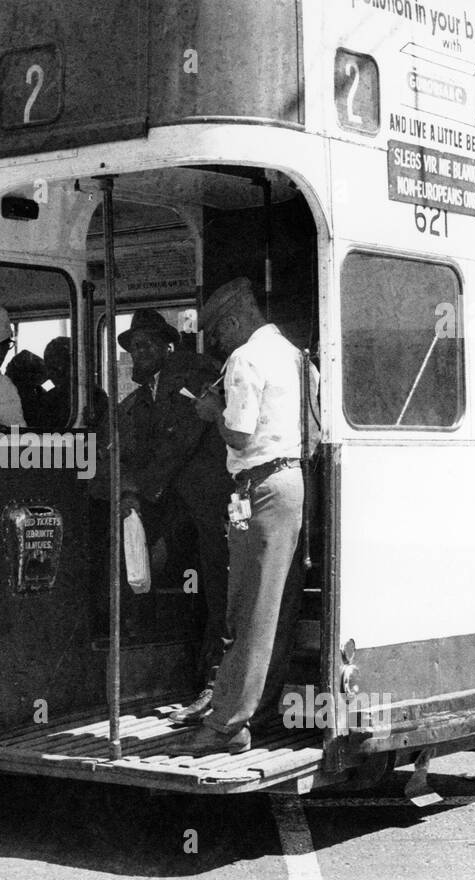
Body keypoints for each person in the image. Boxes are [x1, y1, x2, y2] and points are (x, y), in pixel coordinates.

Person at [179, 277, 318, 755]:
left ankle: (227, 726)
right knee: (277, 607)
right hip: (293, 481)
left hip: (256, 486)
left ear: (236, 321)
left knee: (246, 611)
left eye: (218, 333)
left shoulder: (245, 359)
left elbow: (238, 434)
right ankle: (256, 709)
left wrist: (210, 410)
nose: (217, 345)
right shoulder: (294, 354)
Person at [116, 309, 232, 687]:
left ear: (169, 345)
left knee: (217, 590)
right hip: (181, 505)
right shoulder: (147, 391)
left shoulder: (190, 376)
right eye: (134, 346)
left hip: (209, 503)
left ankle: (216, 681)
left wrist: (138, 489)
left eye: (147, 344)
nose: (139, 353)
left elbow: (177, 441)